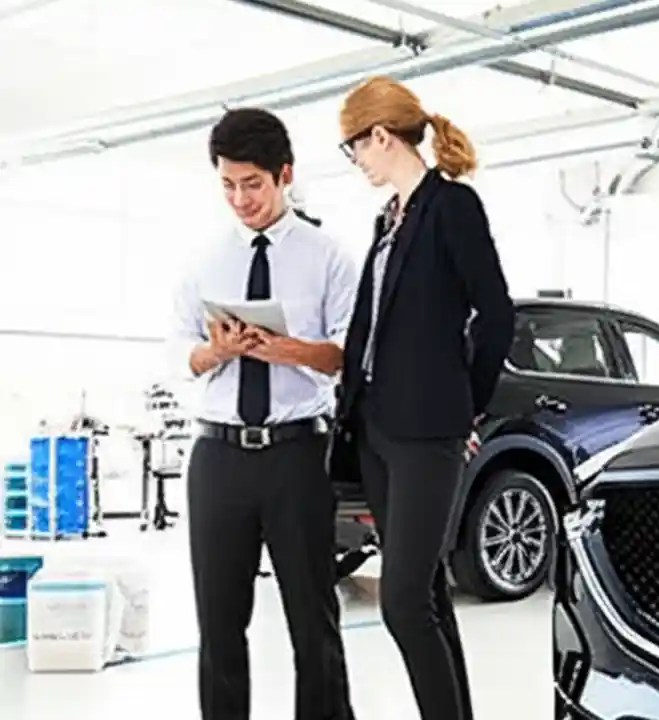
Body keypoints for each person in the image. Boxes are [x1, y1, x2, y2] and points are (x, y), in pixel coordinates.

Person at [169, 107, 360, 720]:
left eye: (252, 184)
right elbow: (177, 354)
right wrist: (216, 351)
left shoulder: (328, 256)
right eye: (228, 184)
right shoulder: (203, 261)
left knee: (313, 622)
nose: (240, 198)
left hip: (297, 454)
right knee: (219, 626)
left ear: (285, 175)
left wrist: (286, 349)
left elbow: (350, 356)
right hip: (217, 457)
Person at [334, 75, 515, 720]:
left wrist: (468, 407)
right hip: (378, 427)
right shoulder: (388, 219)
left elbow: (495, 314)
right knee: (430, 594)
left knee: (402, 600)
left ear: (380, 136)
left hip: (427, 432)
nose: (353, 160)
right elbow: (373, 324)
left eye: (352, 146)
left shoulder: (451, 206)